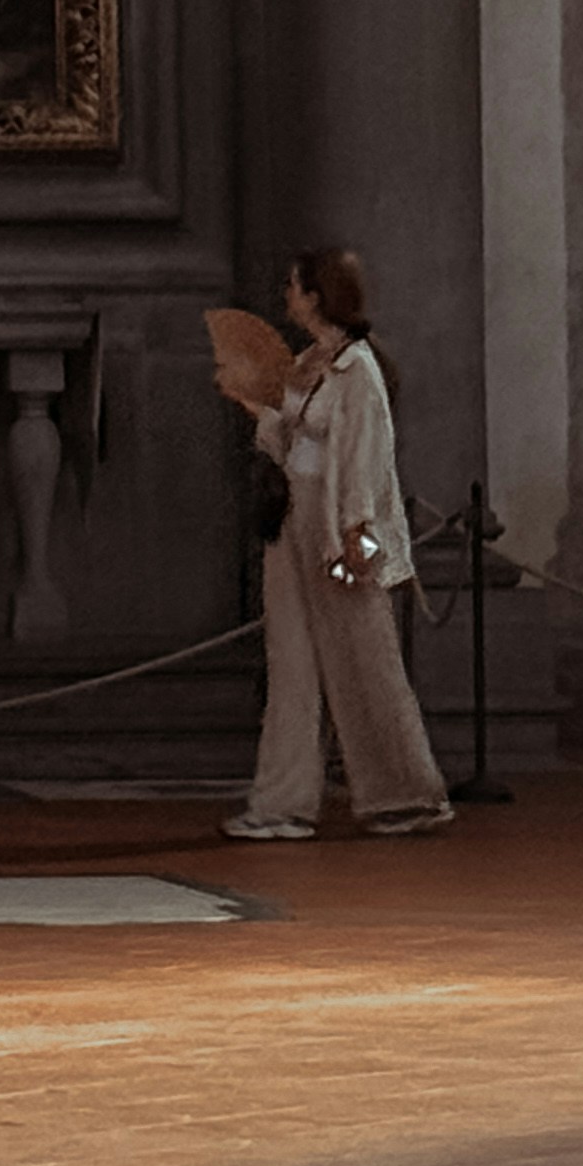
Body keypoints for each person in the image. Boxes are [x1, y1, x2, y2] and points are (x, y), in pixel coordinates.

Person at [219, 247, 452, 842]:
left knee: (365, 659)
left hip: (341, 529)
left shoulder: (360, 371)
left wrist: (357, 533)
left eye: (294, 285)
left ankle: (405, 794)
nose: (287, 294)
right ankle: (282, 803)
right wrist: (254, 404)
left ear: (317, 295)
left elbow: (363, 459)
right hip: (296, 519)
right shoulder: (307, 363)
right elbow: (286, 437)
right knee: (290, 663)